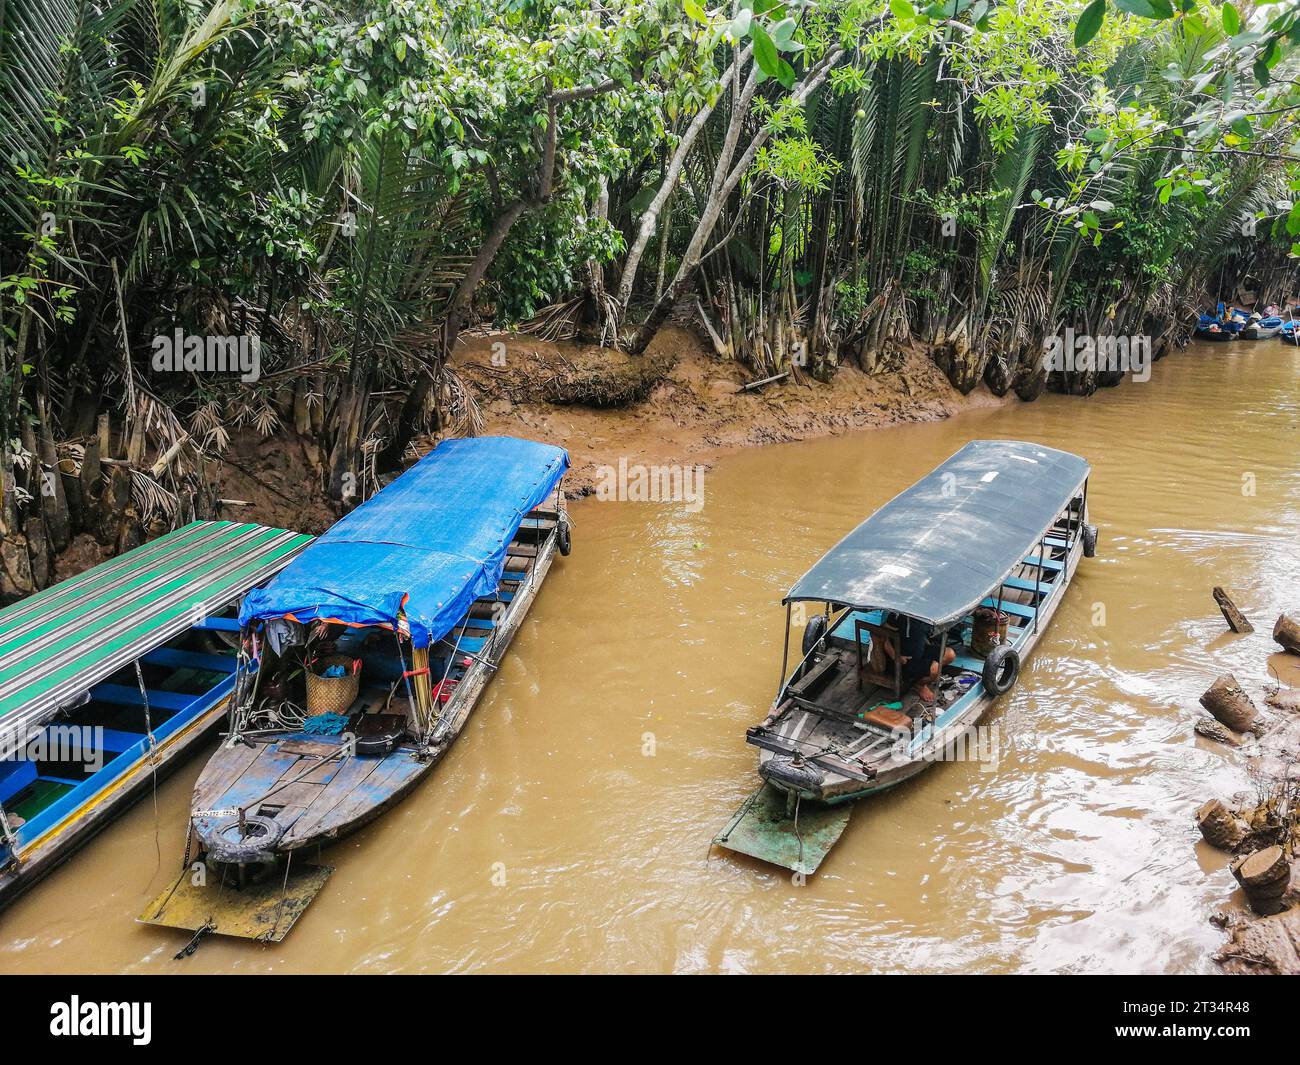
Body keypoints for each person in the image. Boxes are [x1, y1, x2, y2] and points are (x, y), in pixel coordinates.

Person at [885, 614, 956, 704]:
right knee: (935, 669)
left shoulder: (924, 613)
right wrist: (895, 657)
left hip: (920, 651)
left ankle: (920, 679)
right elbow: (883, 637)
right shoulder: (897, 615)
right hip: (904, 660)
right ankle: (919, 685)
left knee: (950, 654)